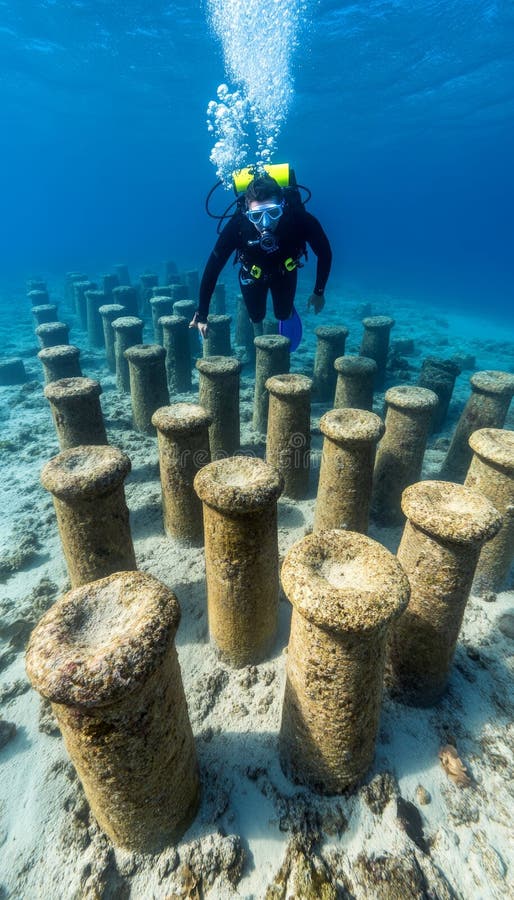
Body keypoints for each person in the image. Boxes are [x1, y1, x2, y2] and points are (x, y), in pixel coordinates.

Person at [190, 173, 332, 338]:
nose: (266, 223)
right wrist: (202, 314)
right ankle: (265, 314)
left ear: (283, 206)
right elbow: (213, 268)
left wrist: (319, 291)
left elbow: (325, 253)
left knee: (283, 314)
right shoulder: (238, 225)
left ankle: (286, 313)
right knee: (256, 317)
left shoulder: (299, 219)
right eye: (256, 216)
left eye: (273, 213)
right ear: (247, 211)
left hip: (285, 271)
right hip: (251, 273)